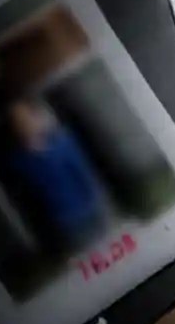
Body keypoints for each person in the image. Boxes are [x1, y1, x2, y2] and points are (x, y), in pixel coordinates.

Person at [6, 97, 106, 253]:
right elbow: (30, 196)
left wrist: (94, 198)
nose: (24, 125)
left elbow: (82, 172)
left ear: (36, 117)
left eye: (27, 119)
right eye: (18, 123)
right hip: (65, 224)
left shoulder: (63, 142)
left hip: (91, 209)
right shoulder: (21, 162)